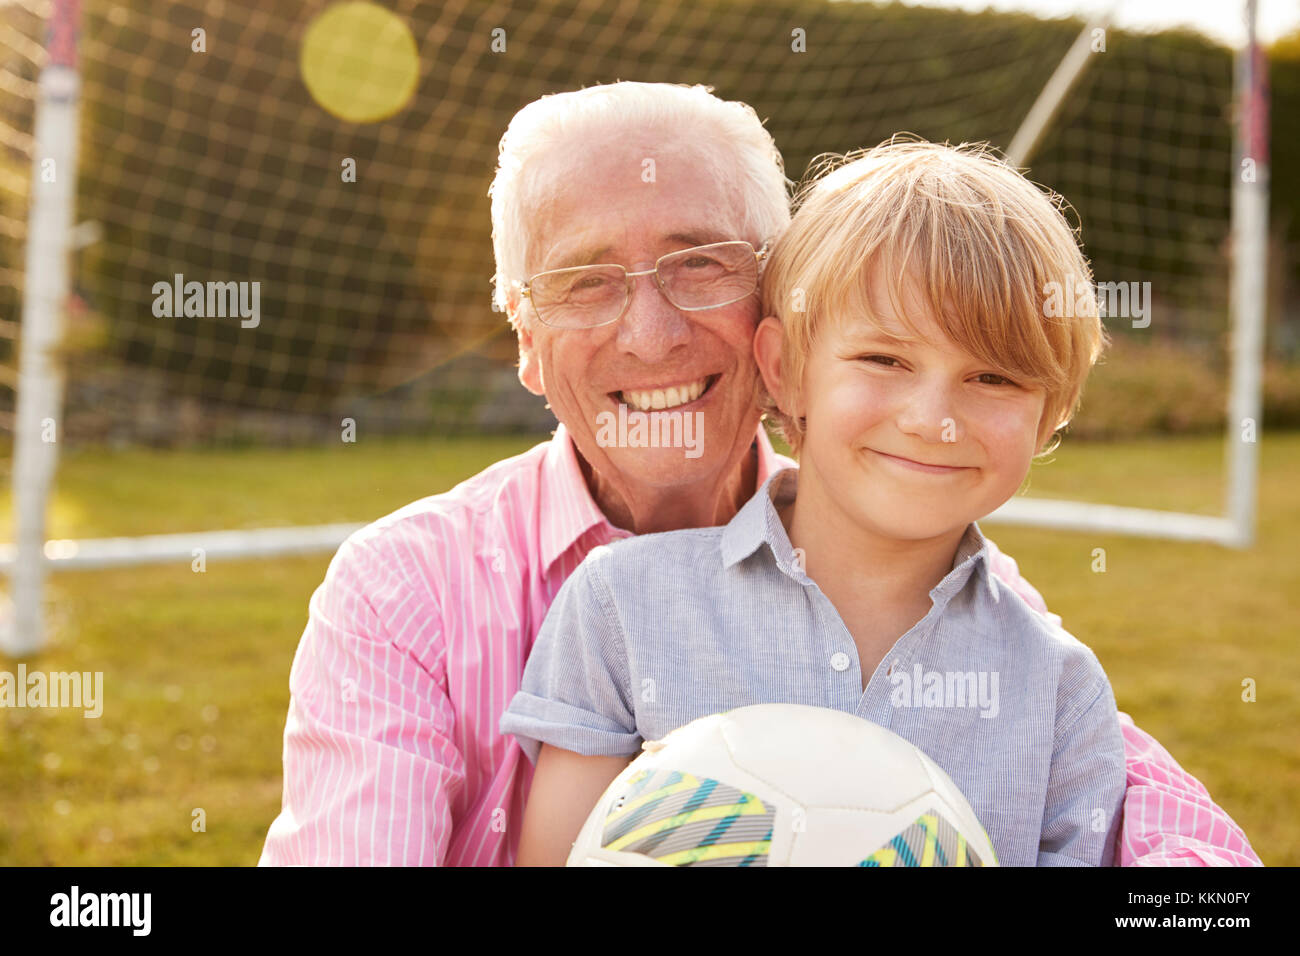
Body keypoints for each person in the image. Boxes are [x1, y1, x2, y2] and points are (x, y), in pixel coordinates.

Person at [259, 82, 1260, 867]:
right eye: (582, 281)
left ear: (770, 312)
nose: (648, 333)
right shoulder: (408, 591)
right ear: (524, 338)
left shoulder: (1001, 628)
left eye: (699, 263)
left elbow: (1158, 827)